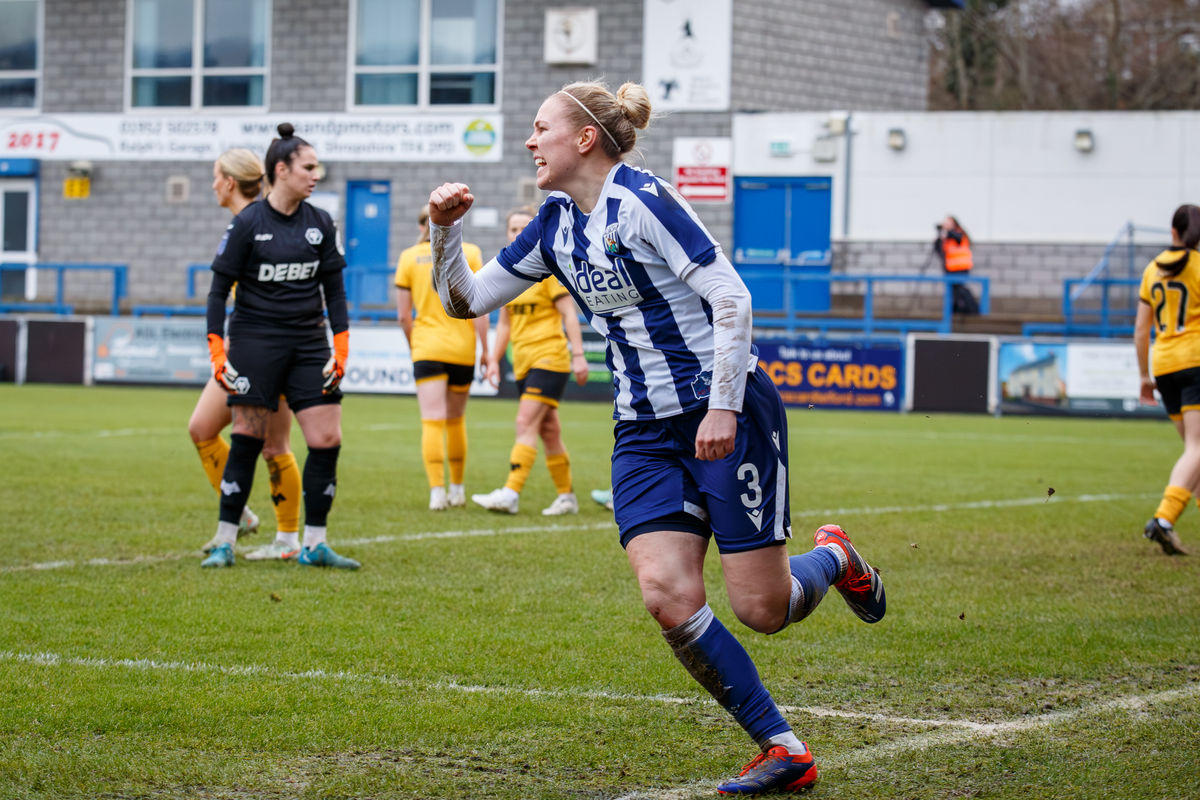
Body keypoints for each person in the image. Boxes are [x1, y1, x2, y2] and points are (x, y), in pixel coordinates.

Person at [426, 80, 886, 795]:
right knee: (665, 592)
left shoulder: (643, 201)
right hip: (642, 431)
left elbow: (731, 297)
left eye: (541, 127)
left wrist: (723, 408)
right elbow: (465, 300)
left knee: (762, 610)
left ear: (584, 139)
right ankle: (783, 747)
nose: (529, 140)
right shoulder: (552, 223)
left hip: (725, 413)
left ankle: (832, 558)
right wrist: (444, 230)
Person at [201, 122, 359, 570]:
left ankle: (314, 544)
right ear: (281, 169)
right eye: (308, 167)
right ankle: (224, 541)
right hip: (255, 343)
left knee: (326, 439)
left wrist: (341, 347)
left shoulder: (321, 223)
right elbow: (217, 292)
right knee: (247, 438)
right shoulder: (248, 224)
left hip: (309, 345)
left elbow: (336, 291)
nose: (316, 175)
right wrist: (217, 352)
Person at [190, 148, 304, 562]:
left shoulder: (260, 223)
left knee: (275, 444)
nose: (212, 184)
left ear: (230, 182)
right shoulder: (243, 224)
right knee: (202, 428)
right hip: (245, 348)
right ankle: (241, 517)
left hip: (274, 347)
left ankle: (288, 539)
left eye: (215, 176)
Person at [472, 206, 589, 516]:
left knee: (524, 422)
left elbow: (569, 315)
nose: (517, 234)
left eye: (524, 228)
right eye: (513, 229)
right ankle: (567, 498)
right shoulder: (509, 275)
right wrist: (495, 360)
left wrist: (579, 355)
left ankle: (510, 492)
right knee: (548, 430)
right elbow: (506, 325)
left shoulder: (546, 270)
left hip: (549, 358)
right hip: (524, 362)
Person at [394, 207, 490, 511]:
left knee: (432, 421)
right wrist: (485, 350)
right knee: (456, 421)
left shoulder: (408, 257)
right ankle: (458, 489)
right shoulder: (471, 252)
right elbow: (481, 306)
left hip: (426, 347)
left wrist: (415, 345)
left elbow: (402, 316)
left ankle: (437, 492)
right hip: (461, 348)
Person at [1135, 203, 1200, 556]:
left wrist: (1144, 375)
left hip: (1164, 365)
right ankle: (1164, 519)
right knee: (1197, 449)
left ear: (1173, 231)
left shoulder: (1152, 269)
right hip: (1195, 360)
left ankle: (1168, 526)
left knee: (1195, 452)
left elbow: (1141, 330)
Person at [934, 215, 979, 315]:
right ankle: (955, 310)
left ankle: (973, 309)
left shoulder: (959, 233)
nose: (946, 225)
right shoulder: (946, 237)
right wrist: (940, 235)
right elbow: (938, 249)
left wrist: (946, 231)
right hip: (950, 269)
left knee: (960, 289)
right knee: (953, 291)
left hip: (961, 268)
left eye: (948, 223)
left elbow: (957, 238)